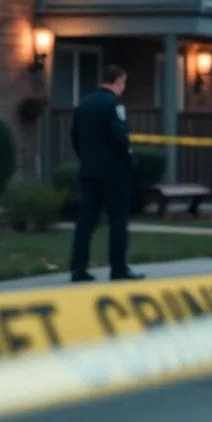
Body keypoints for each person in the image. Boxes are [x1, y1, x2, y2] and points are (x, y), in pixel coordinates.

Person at [69, 64, 144, 283]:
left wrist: (86, 158)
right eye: (124, 83)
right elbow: (121, 138)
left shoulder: (84, 104)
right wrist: (129, 160)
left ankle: (78, 268)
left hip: (89, 169)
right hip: (114, 172)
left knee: (86, 220)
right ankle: (118, 268)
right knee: (118, 220)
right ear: (118, 81)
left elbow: (75, 136)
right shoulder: (113, 105)